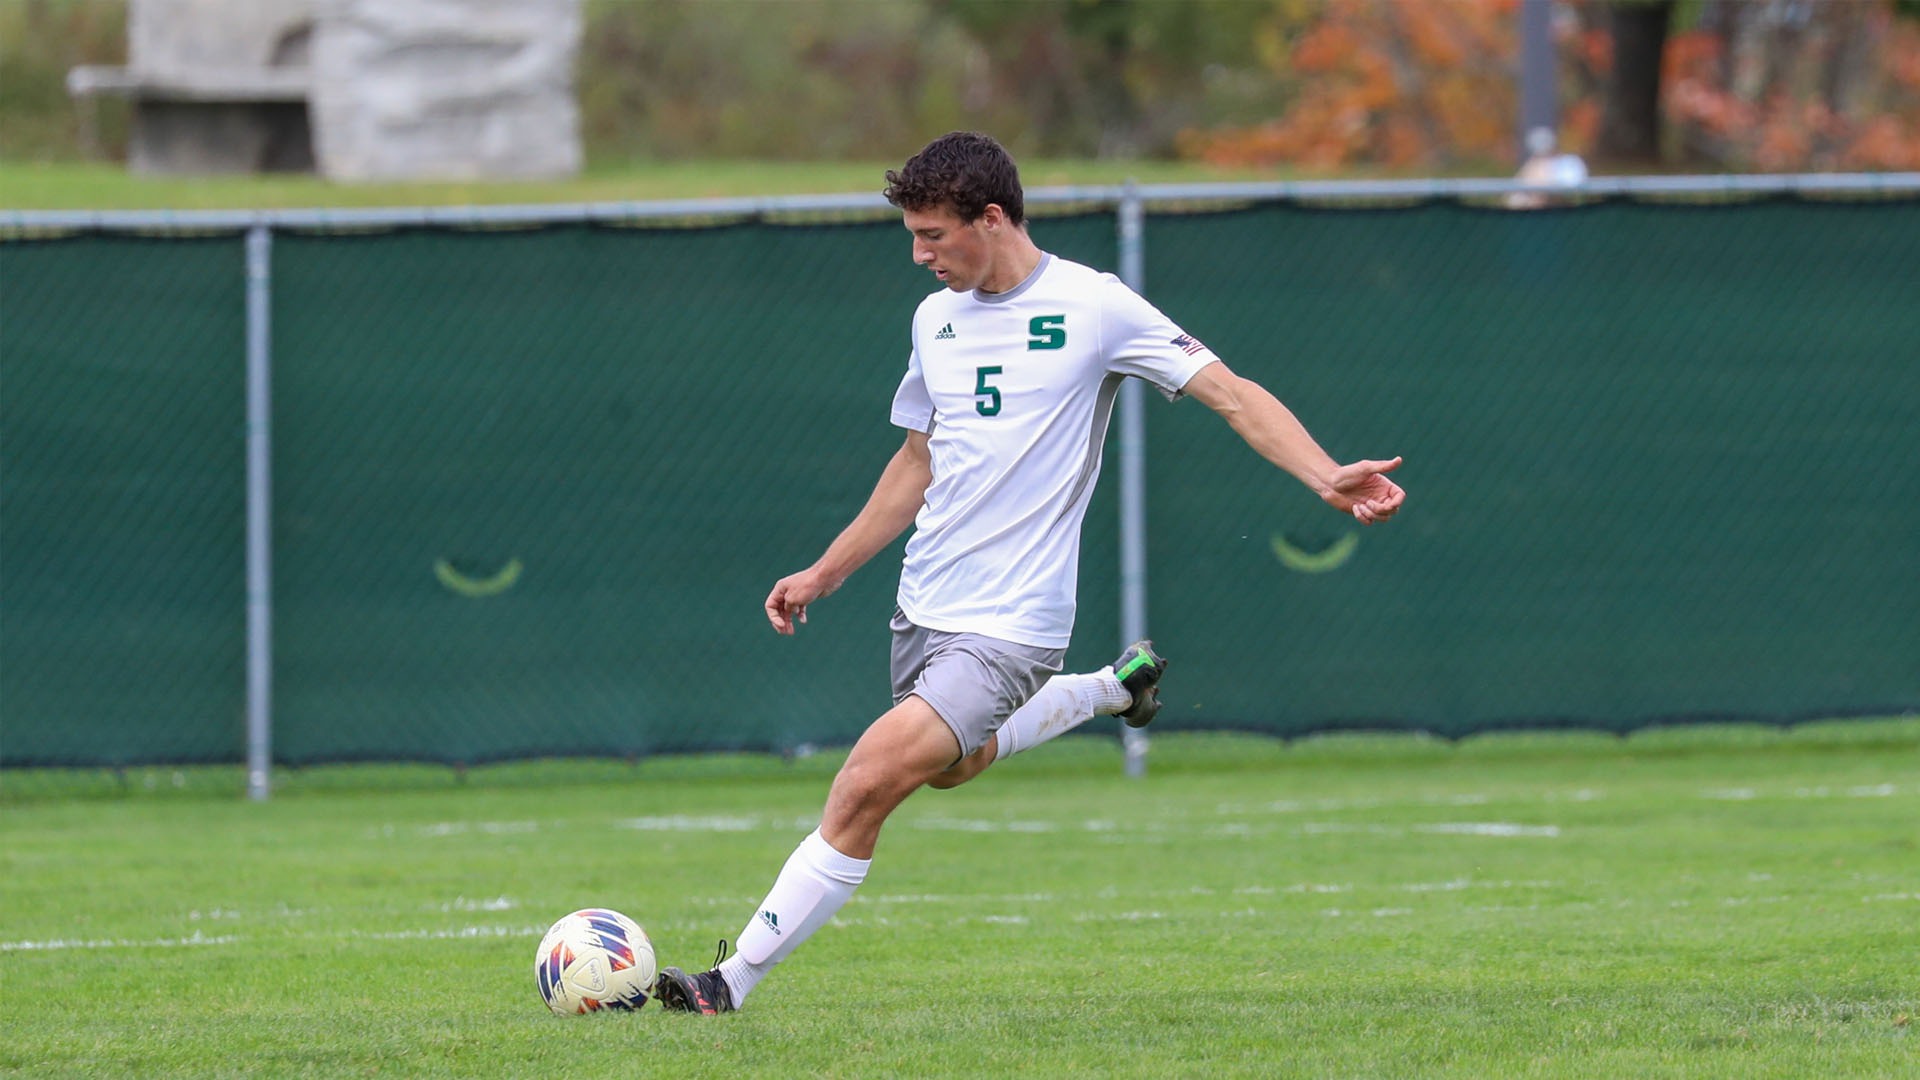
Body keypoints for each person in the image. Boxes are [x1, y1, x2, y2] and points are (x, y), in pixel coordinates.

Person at [653, 131, 1406, 1014]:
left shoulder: (1095, 306)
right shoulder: (933, 320)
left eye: (933, 235)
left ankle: (726, 983)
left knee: (865, 782)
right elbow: (916, 463)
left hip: (1015, 622)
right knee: (950, 768)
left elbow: (1231, 393)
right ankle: (1109, 691)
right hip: (926, 604)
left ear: (995, 217)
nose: (918, 254)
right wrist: (827, 570)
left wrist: (1324, 474)